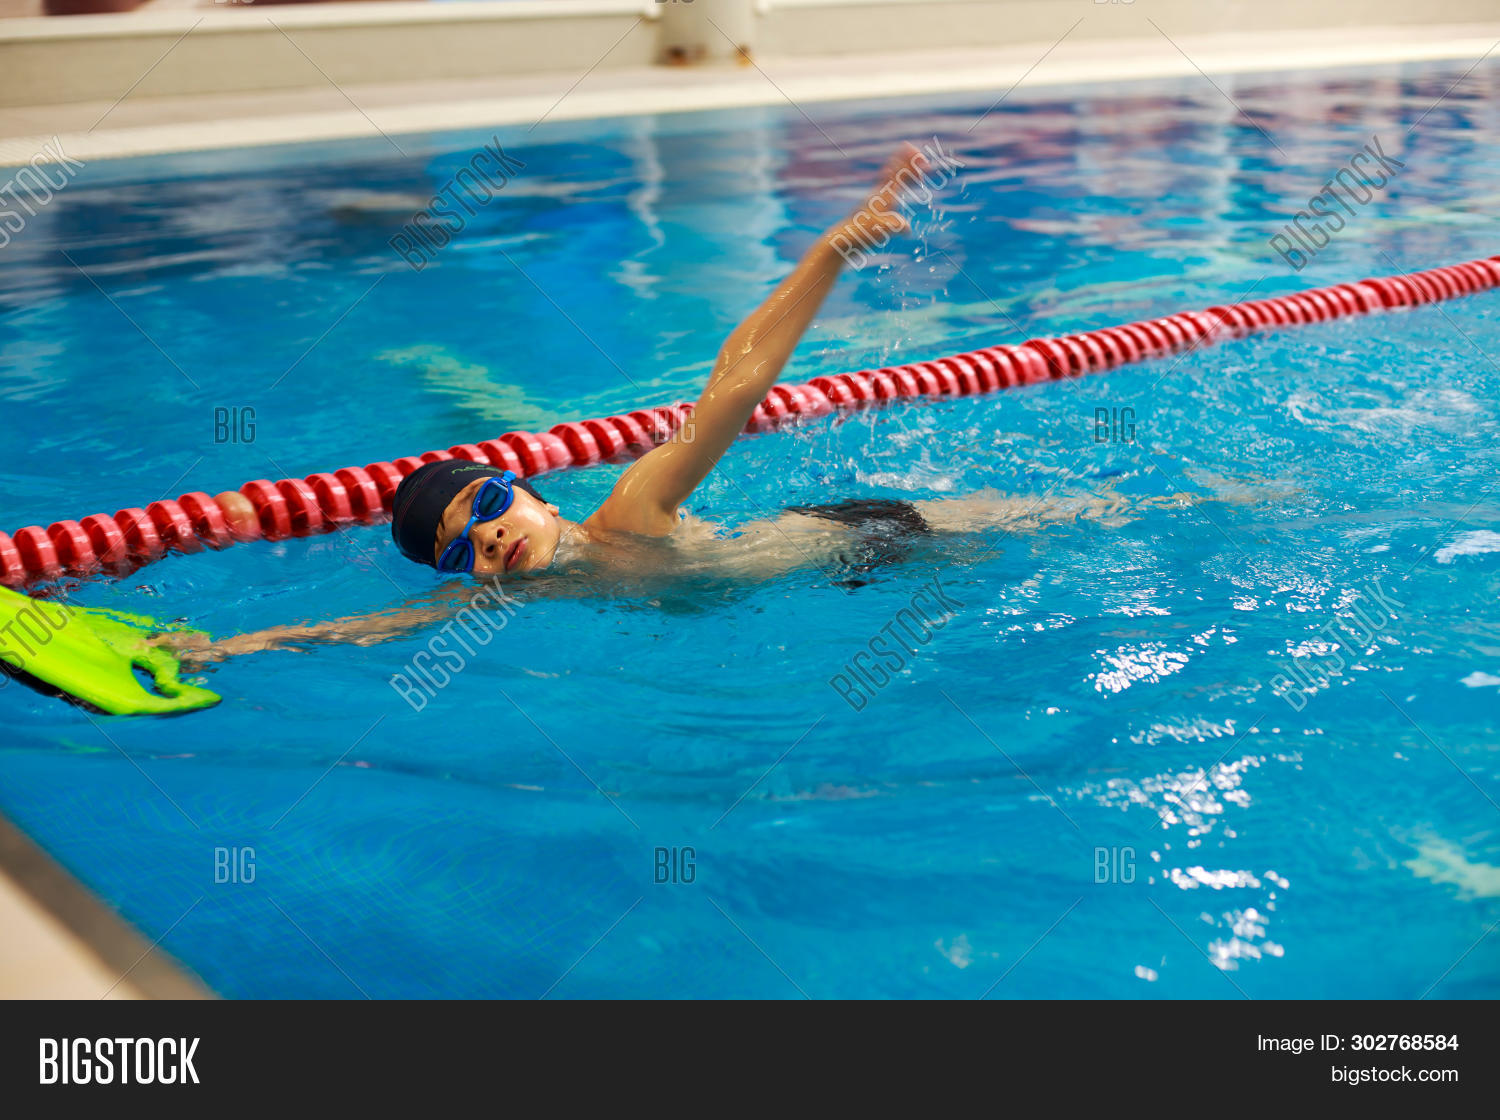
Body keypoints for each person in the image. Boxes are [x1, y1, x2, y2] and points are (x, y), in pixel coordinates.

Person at [165, 143, 1200, 663]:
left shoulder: (626, 513)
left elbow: (731, 391)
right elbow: (376, 627)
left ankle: (1220, 500)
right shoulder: (513, 594)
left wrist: (828, 253)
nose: (486, 547)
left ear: (527, 492)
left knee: (1092, 525)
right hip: (820, 595)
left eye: (485, 511)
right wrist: (234, 648)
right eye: (459, 550)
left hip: (868, 532)